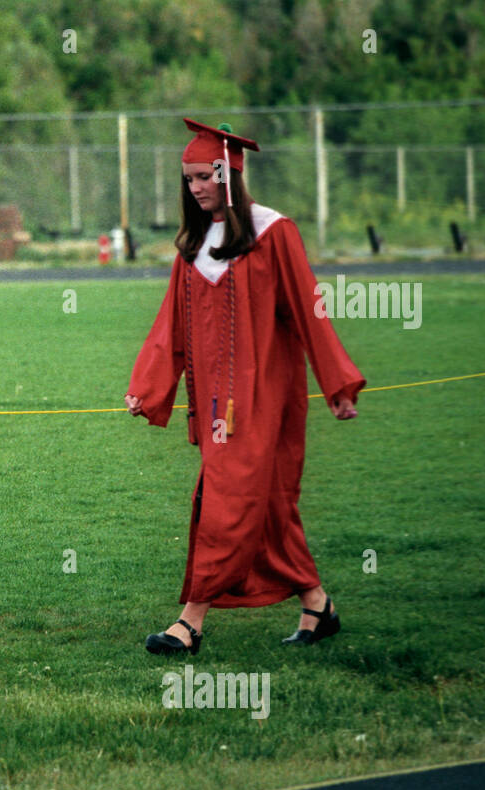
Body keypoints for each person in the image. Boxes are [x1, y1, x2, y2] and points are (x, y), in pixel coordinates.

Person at [125, 119, 365, 653]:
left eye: (202, 179)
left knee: (225, 498)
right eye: (187, 181)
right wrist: (149, 385)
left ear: (228, 173)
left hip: (265, 398)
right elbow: (173, 325)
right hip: (213, 401)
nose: (195, 189)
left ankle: (190, 622)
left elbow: (311, 311)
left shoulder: (274, 232)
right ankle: (317, 605)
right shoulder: (195, 244)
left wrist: (338, 385)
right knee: (271, 504)